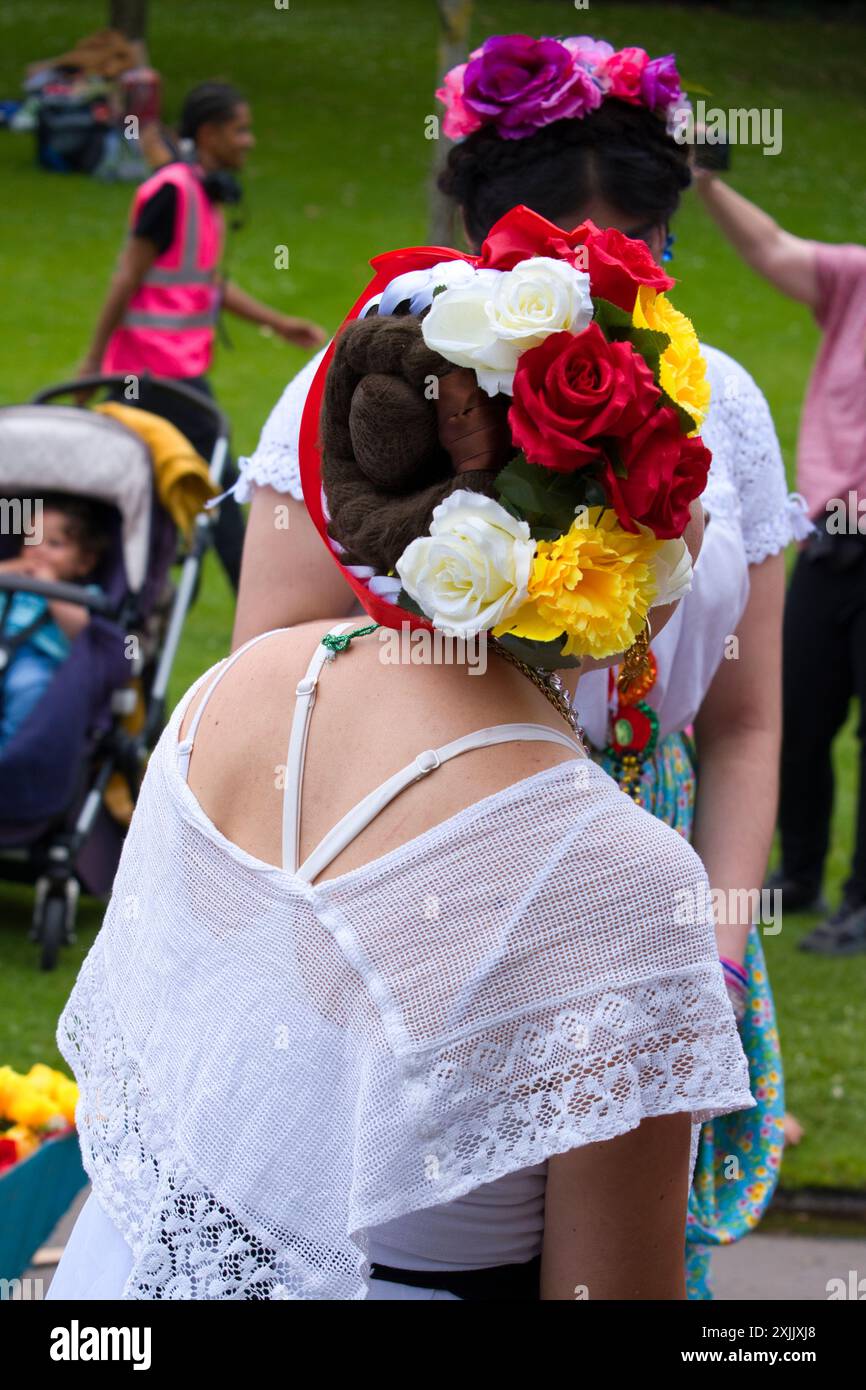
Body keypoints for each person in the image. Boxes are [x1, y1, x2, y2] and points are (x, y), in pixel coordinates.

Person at [47, 213, 754, 1300]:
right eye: (682, 477)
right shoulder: (621, 884)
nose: (701, 516)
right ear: (620, 529)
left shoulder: (229, 690)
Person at [227, 32, 806, 1300]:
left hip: (648, 898)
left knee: (624, 1262)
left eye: (640, 237)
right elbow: (270, 674)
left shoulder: (730, 407)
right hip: (411, 883)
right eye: (550, 237)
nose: (600, 269)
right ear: (470, 232)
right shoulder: (361, 390)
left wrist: (706, 945)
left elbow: (748, 720)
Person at [693, 168, 866, 955]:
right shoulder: (855, 279)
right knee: (792, 710)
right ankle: (796, 874)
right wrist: (704, 181)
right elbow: (769, 247)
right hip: (834, 536)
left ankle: (861, 900)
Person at [77, 80, 326, 592]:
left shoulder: (204, 196)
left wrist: (277, 323)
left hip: (171, 371)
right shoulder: (170, 193)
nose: (249, 141)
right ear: (209, 133)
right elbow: (127, 276)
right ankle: (253, 607)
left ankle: (127, 596)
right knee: (216, 482)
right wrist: (93, 362)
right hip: (151, 374)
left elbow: (207, 283)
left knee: (149, 487)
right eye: (241, 129)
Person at [0, 496, 106, 749]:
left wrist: (50, 588)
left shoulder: (84, 594)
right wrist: (11, 569)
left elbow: (82, 629)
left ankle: (10, 752)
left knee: (28, 688)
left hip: (39, 658)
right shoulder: (13, 577)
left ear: (84, 562)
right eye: (31, 539)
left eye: (54, 544)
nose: (38, 550)